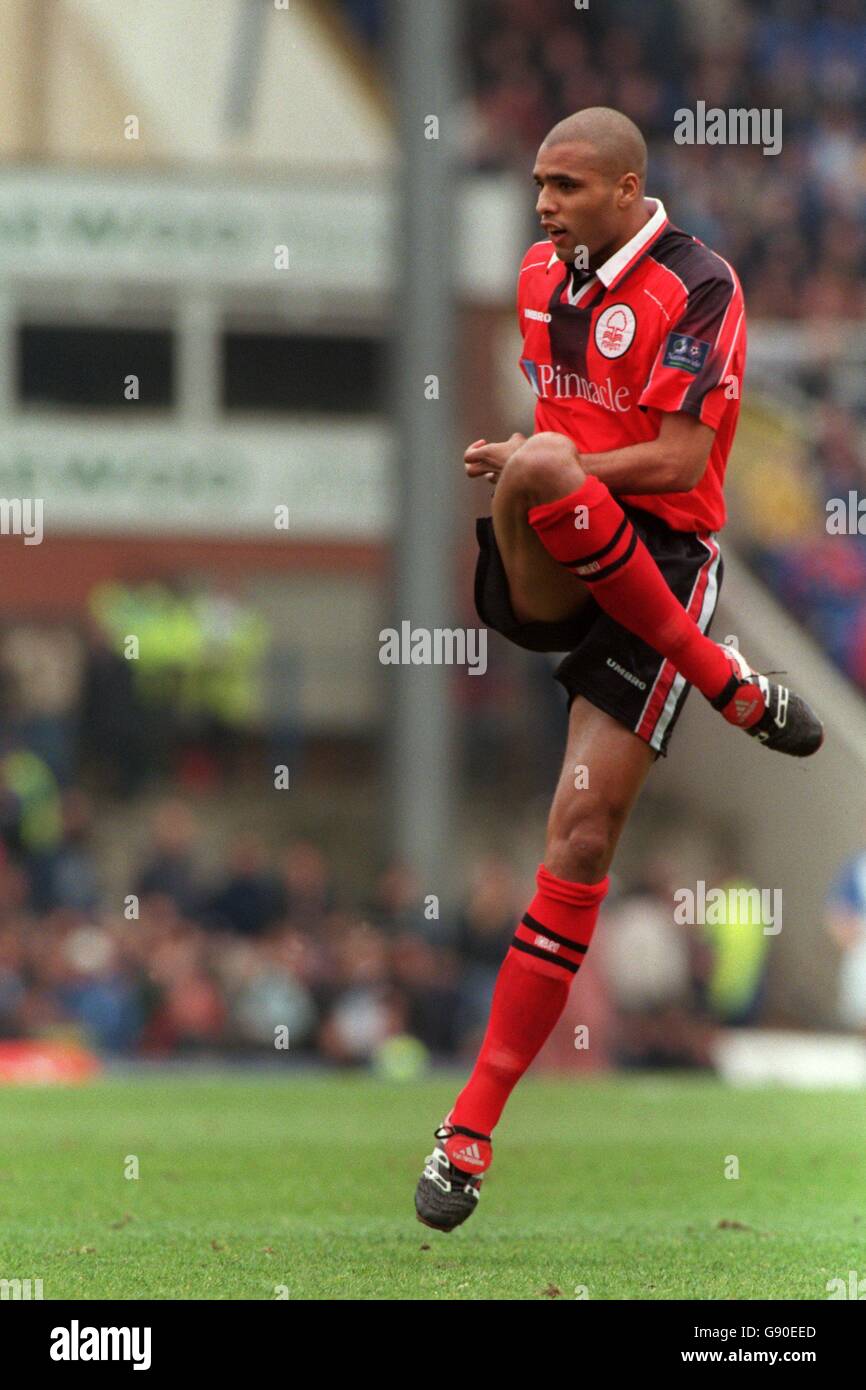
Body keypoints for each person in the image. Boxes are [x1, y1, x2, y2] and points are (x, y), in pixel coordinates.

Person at [414, 106, 823, 1233]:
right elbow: (554, 436)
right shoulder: (541, 275)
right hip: (554, 550)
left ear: (627, 187)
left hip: (661, 554)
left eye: (565, 184)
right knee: (538, 455)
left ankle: (465, 1133)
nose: (543, 202)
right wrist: (528, 468)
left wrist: (553, 464)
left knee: (580, 839)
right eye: (538, 183)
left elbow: (683, 459)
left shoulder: (699, 285)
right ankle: (728, 683)